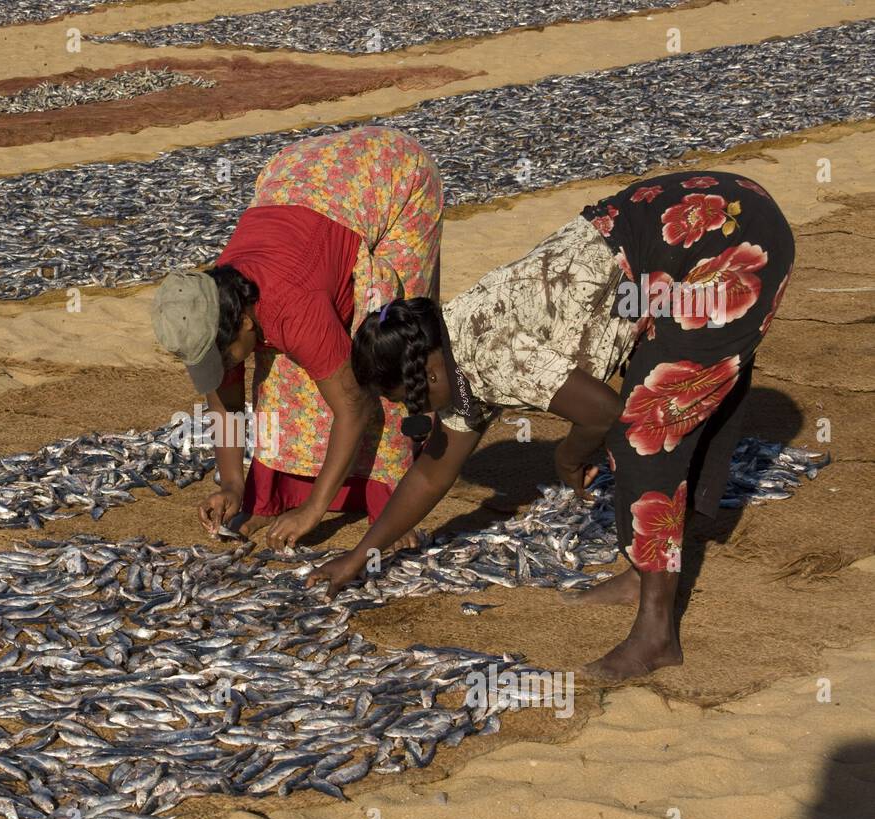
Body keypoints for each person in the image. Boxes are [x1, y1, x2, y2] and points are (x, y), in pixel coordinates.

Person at [310, 170, 795, 681]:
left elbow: (603, 413)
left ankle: (656, 634)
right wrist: (360, 556)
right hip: (677, 237)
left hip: (730, 240)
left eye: (408, 399)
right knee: (659, 397)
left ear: (429, 372)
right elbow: (434, 471)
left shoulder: (492, 354)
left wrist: (568, 456)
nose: (416, 412)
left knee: (644, 433)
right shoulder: (447, 346)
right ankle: (646, 571)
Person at [151, 126, 442, 549]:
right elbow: (225, 400)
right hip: (298, 178)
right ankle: (278, 491)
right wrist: (233, 484)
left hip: (391, 175)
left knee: (385, 341)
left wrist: (312, 512)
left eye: (225, 357)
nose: (226, 366)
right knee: (286, 369)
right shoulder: (216, 302)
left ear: (246, 324)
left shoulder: (292, 306)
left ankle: (391, 502)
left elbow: (354, 405)